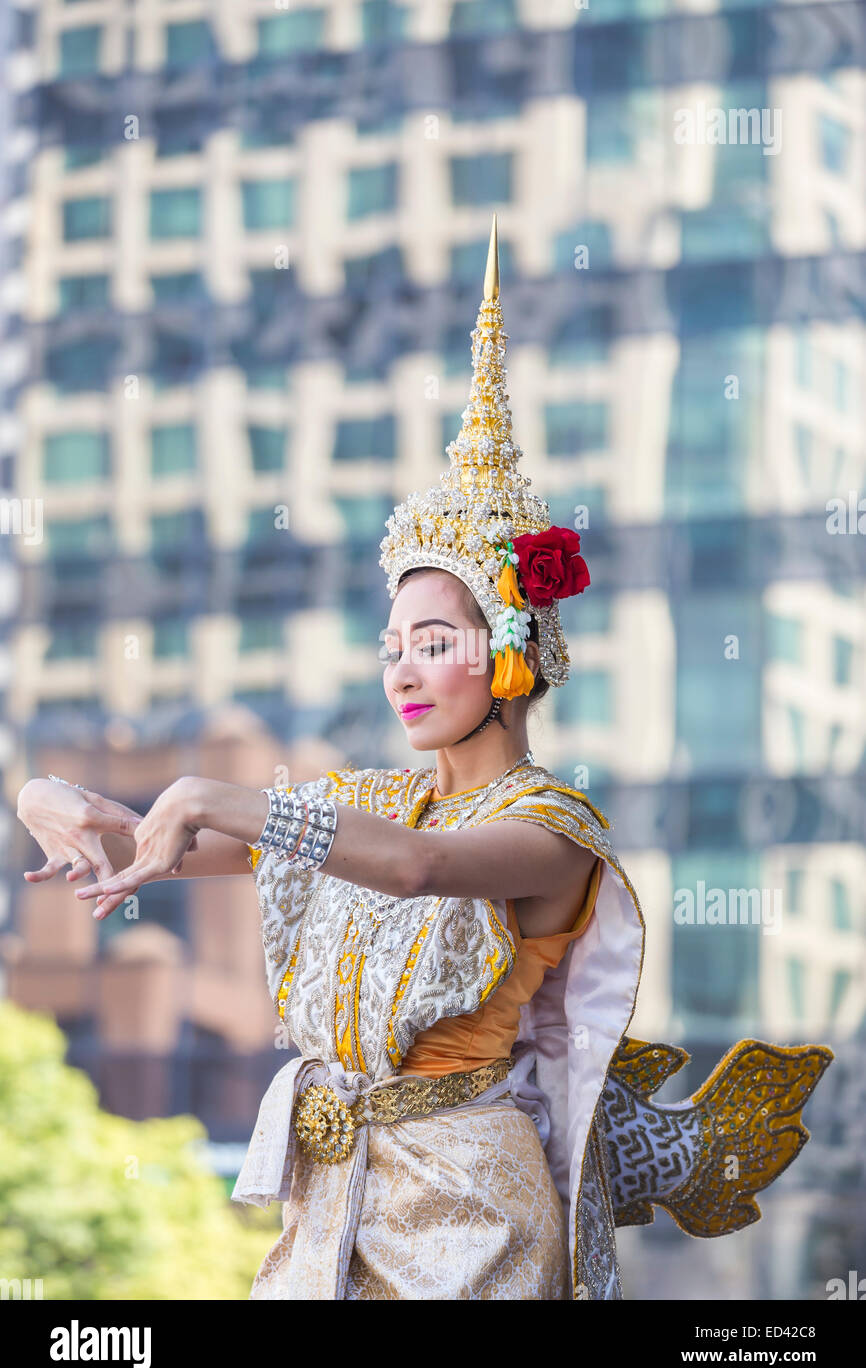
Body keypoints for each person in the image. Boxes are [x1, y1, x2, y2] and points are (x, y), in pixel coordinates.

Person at [17, 217, 832, 1300]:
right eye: (391, 647)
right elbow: (161, 838)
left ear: (507, 657)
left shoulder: (548, 833)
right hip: (330, 1206)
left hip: (471, 1215)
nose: (400, 671)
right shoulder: (367, 803)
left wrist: (217, 793)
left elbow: (414, 867)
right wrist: (50, 796)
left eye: (434, 644)